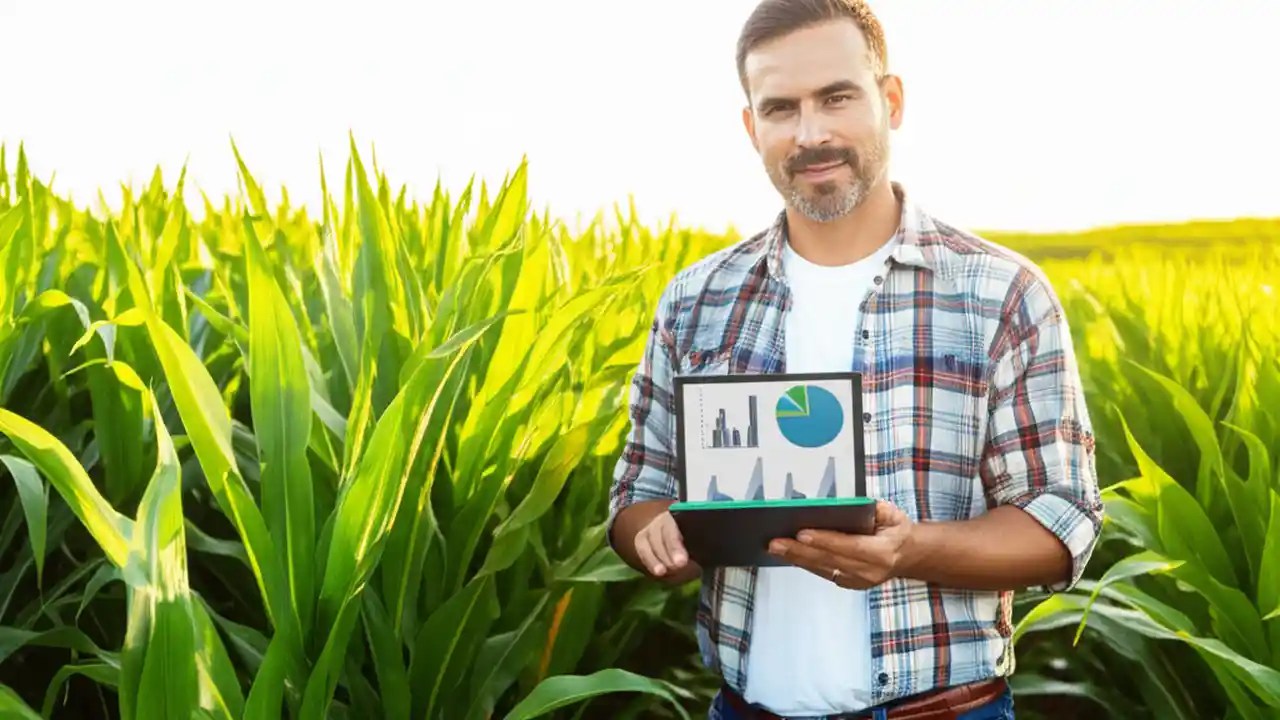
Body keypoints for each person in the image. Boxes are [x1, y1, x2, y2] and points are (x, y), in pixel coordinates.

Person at [607, 1, 1105, 718]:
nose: (811, 134)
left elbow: (1062, 521)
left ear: (890, 100)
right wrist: (654, 537)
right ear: (752, 127)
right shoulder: (696, 300)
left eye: (836, 97)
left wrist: (909, 550)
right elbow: (637, 493)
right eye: (780, 108)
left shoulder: (1001, 295)